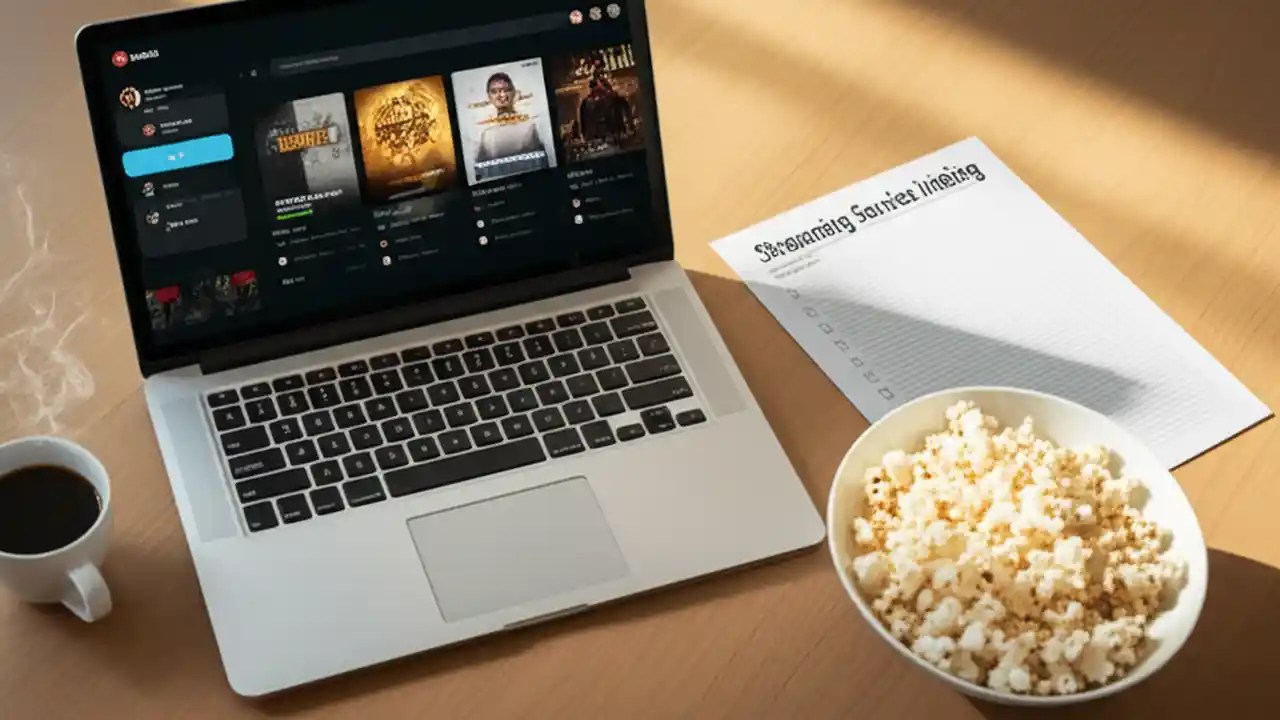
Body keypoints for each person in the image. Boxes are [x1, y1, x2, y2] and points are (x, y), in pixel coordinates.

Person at [473, 72, 550, 181]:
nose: (501, 96)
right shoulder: (486, 135)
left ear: (514, 93)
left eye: (506, 90)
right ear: (489, 97)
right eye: (494, 92)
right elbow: (480, 175)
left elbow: (544, 166)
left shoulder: (531, 125)